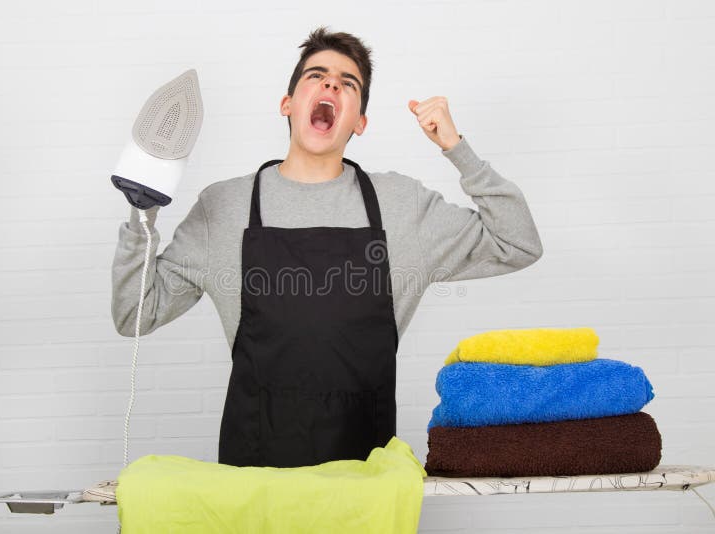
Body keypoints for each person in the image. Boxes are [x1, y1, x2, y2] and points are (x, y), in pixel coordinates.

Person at [111, 26, 543, 468]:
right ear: (287, 104)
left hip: (364, 492)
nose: (331, 83)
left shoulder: (403, 207)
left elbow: (518, 242)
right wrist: (143, 210)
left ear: (360, 122)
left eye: (348, 83)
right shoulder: (223, 207)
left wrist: (457, 148)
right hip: (253, 489)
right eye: (316, 75)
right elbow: (134, 314)